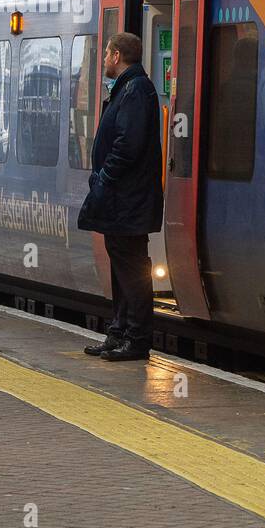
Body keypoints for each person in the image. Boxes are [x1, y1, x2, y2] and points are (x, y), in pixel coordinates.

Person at [77, 31, 164, 362]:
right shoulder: (127, 89)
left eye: (106, 55)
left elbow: (127, 145)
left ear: (116, 56)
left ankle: (137, 340)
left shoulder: (135, 90)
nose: (103, 61)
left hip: (128, 199)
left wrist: (103, 179)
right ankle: (118, 333)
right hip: (122, 200)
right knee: (122, 266)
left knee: (133, 270)